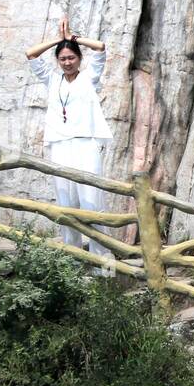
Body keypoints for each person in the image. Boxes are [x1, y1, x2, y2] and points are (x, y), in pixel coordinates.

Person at [26, 17, 112, 260]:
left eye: (71, 57)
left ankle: (100, 262)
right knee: (66, 203)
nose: (67, 62)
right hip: (61, 145)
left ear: (79, 59)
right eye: (62, 58)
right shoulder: (52, 79)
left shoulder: (89, 77)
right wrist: (59, 39)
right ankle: (71, 260)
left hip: (86, 144)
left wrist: (73, 38)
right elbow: (30, 54)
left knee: (91, 203)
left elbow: (100, 47)